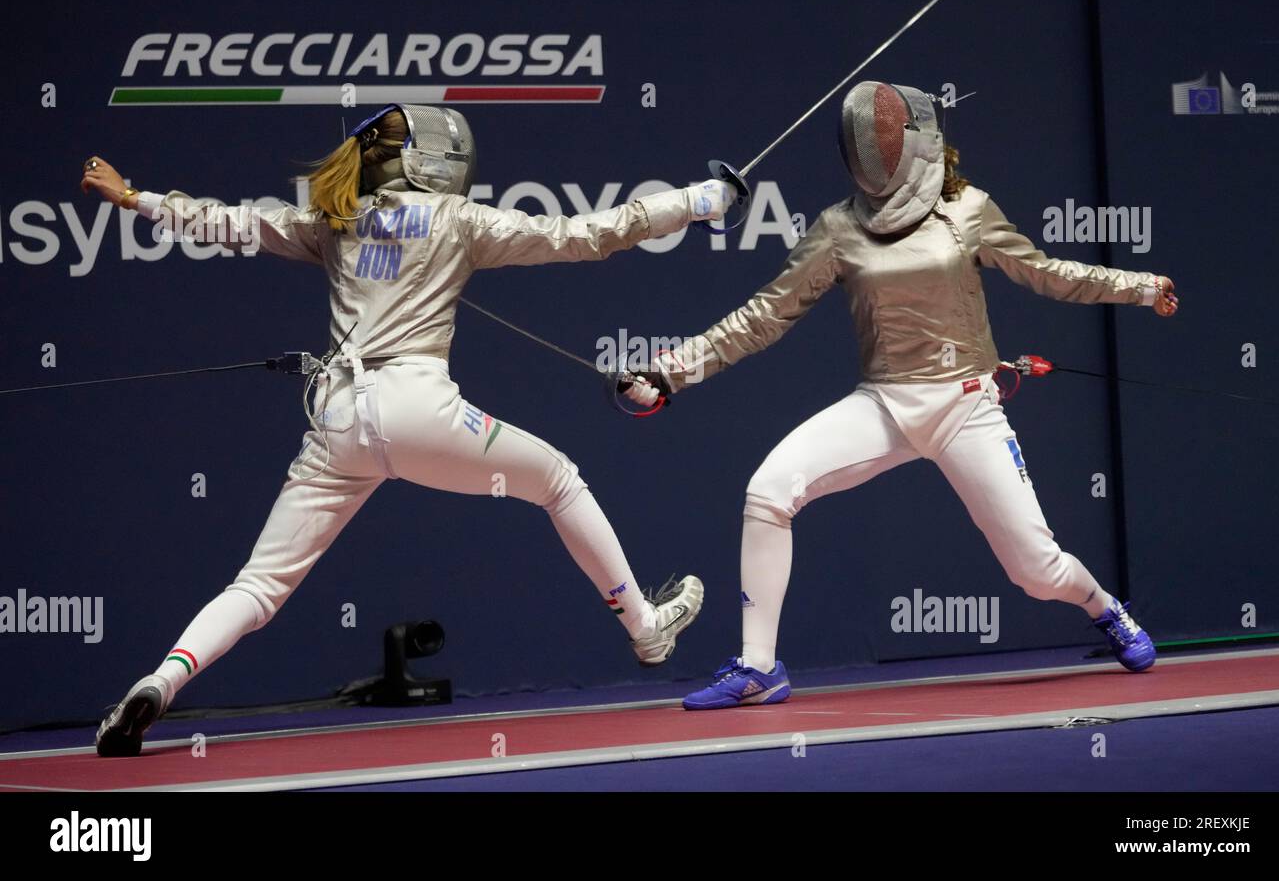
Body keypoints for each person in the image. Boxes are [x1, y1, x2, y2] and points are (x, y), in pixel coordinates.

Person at [82, 104, 735, 754]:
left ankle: (159, 683)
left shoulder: (334, 218)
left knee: (258, 585)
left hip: (338, 424)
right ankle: (646, 630)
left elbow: (229, 224)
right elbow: (593, 232)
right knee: (559, 481)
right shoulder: (456, 219)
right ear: (432, 160)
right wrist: (703, 198)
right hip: (419, 410)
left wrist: (134, 198)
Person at [618, 82, 1178, 709]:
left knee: (1036, 571)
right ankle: (758, 667)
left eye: (883, 138)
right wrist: (672, 370)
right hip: (884, 405)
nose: (873, 151)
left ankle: (1107, 609)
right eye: (865, 142)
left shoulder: (969, 213)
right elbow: (763, 316)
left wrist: (1138, 285)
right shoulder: (838, 229)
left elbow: (1048, 272)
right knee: (769, 491)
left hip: (965, 407)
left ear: (916, 140)